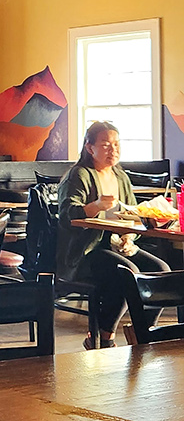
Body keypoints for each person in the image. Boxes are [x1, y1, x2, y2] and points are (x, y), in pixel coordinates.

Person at [57, 119, 170, 349]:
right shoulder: (79, 175)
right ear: (90, 148)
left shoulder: (121, 177)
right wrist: (96, 205)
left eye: (117, 144)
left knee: (162, 272)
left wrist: (130, 237)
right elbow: (68, 216)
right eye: (106, 145)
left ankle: (142, 332)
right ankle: (103, 337)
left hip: (118, 245)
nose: (113, 150)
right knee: (126, 272)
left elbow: (134, 215)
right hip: (87, 251)